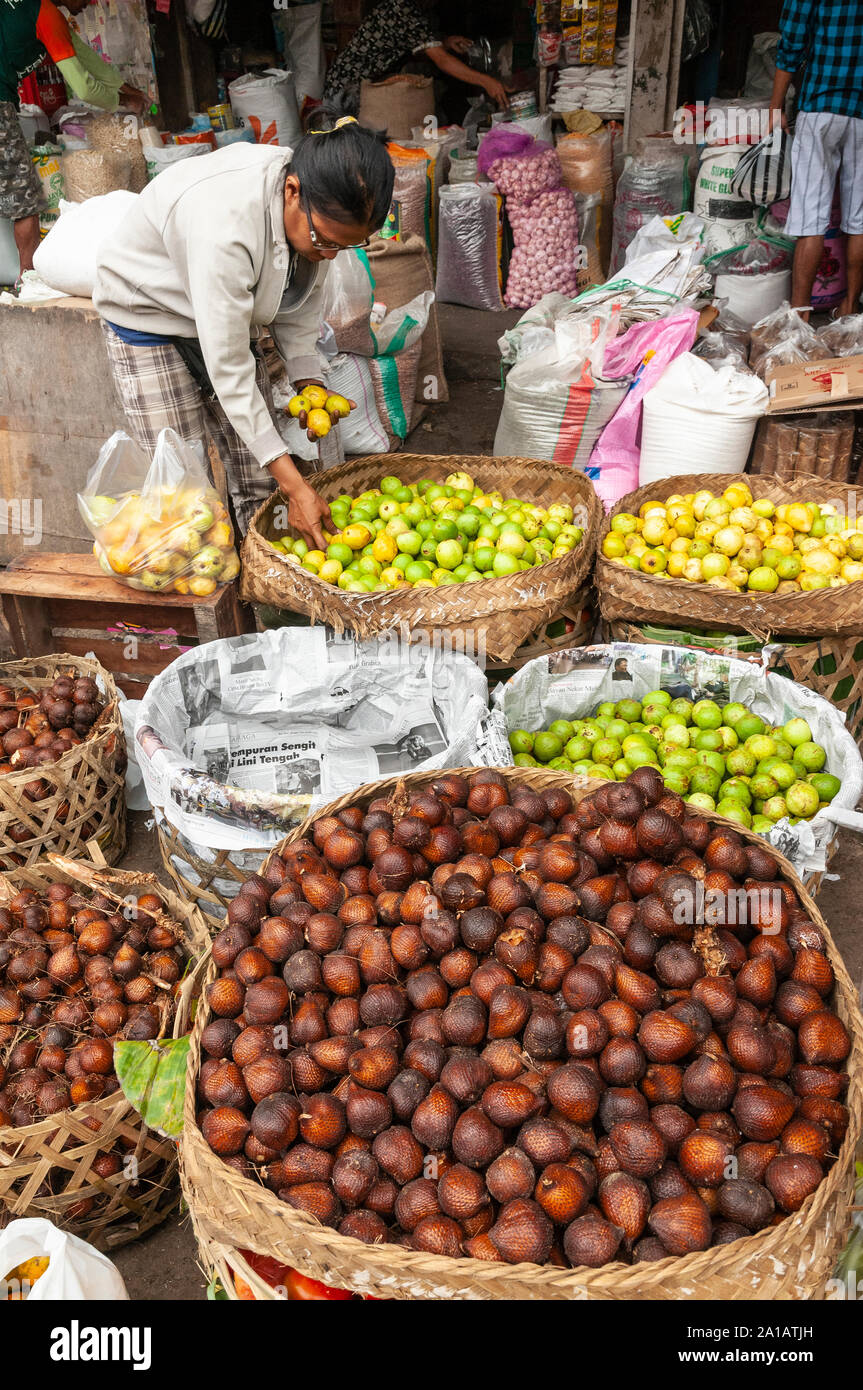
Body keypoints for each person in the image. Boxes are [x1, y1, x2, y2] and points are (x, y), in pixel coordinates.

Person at [94, 111, 395, 543]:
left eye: (345, 246)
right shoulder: (226, 228)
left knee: (262, 480)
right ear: (292, 192)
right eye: (327, 241)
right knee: (187, 496)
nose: (331, 256)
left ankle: (264, 593)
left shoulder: (315, 207)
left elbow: (297, 301)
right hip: (149, 316)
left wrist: (310, 383)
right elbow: (231, 372)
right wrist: (297, 487)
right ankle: (212, 598)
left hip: (227, 312)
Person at [0, 0, 145, 278]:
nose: (91, 2)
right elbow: (84, 88)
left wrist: (128, 90)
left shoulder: (33, 11)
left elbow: (90, 61)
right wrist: (123, 101)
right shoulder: (45, 14)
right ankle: (30, 282)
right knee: (25, 202)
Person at [769, 0, 863, 317]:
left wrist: (776, 105)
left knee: (811, 218)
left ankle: (799, 314)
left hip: (821, 106)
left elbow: (792, 42)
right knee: (859, 219)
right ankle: (850, 308)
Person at [323, 0, 509, 114]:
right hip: (346, 88)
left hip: (362, 87)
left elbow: (415, 46)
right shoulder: (402, 8)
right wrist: (486, 81)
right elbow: (441, 60)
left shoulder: (412, 9)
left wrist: (443, 43)